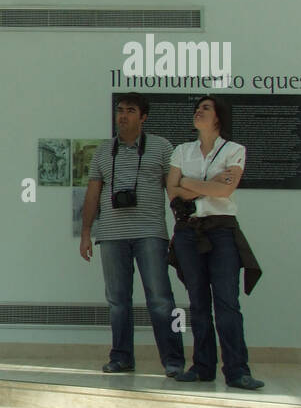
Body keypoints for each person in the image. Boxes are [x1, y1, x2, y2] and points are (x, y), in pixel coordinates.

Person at [80, 93, 185, 377]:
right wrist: (86, 232)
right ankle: (121, 358)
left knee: (161, 299)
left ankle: (174, 361)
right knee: (117, 300)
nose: (123, 115)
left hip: (150, 232)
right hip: (111, 235)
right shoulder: (104, 151)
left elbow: (173, 189)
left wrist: (184, 228)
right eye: (120, 110)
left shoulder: (162, 147)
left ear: (144, 117)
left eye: (130, 110)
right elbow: (92, 194)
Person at [166, 96, 264, 389]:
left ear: (218, 117)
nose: (199, 111)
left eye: (206, 108)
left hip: (222, 231)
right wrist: (208, 185)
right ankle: (202, 367)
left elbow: (225, 191)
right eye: (197, 107)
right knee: (197, 303)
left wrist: (187, 184)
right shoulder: (182, 151)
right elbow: (171, 192)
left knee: (227, 303)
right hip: (187, 231)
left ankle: (237, 371)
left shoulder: (234, 150)